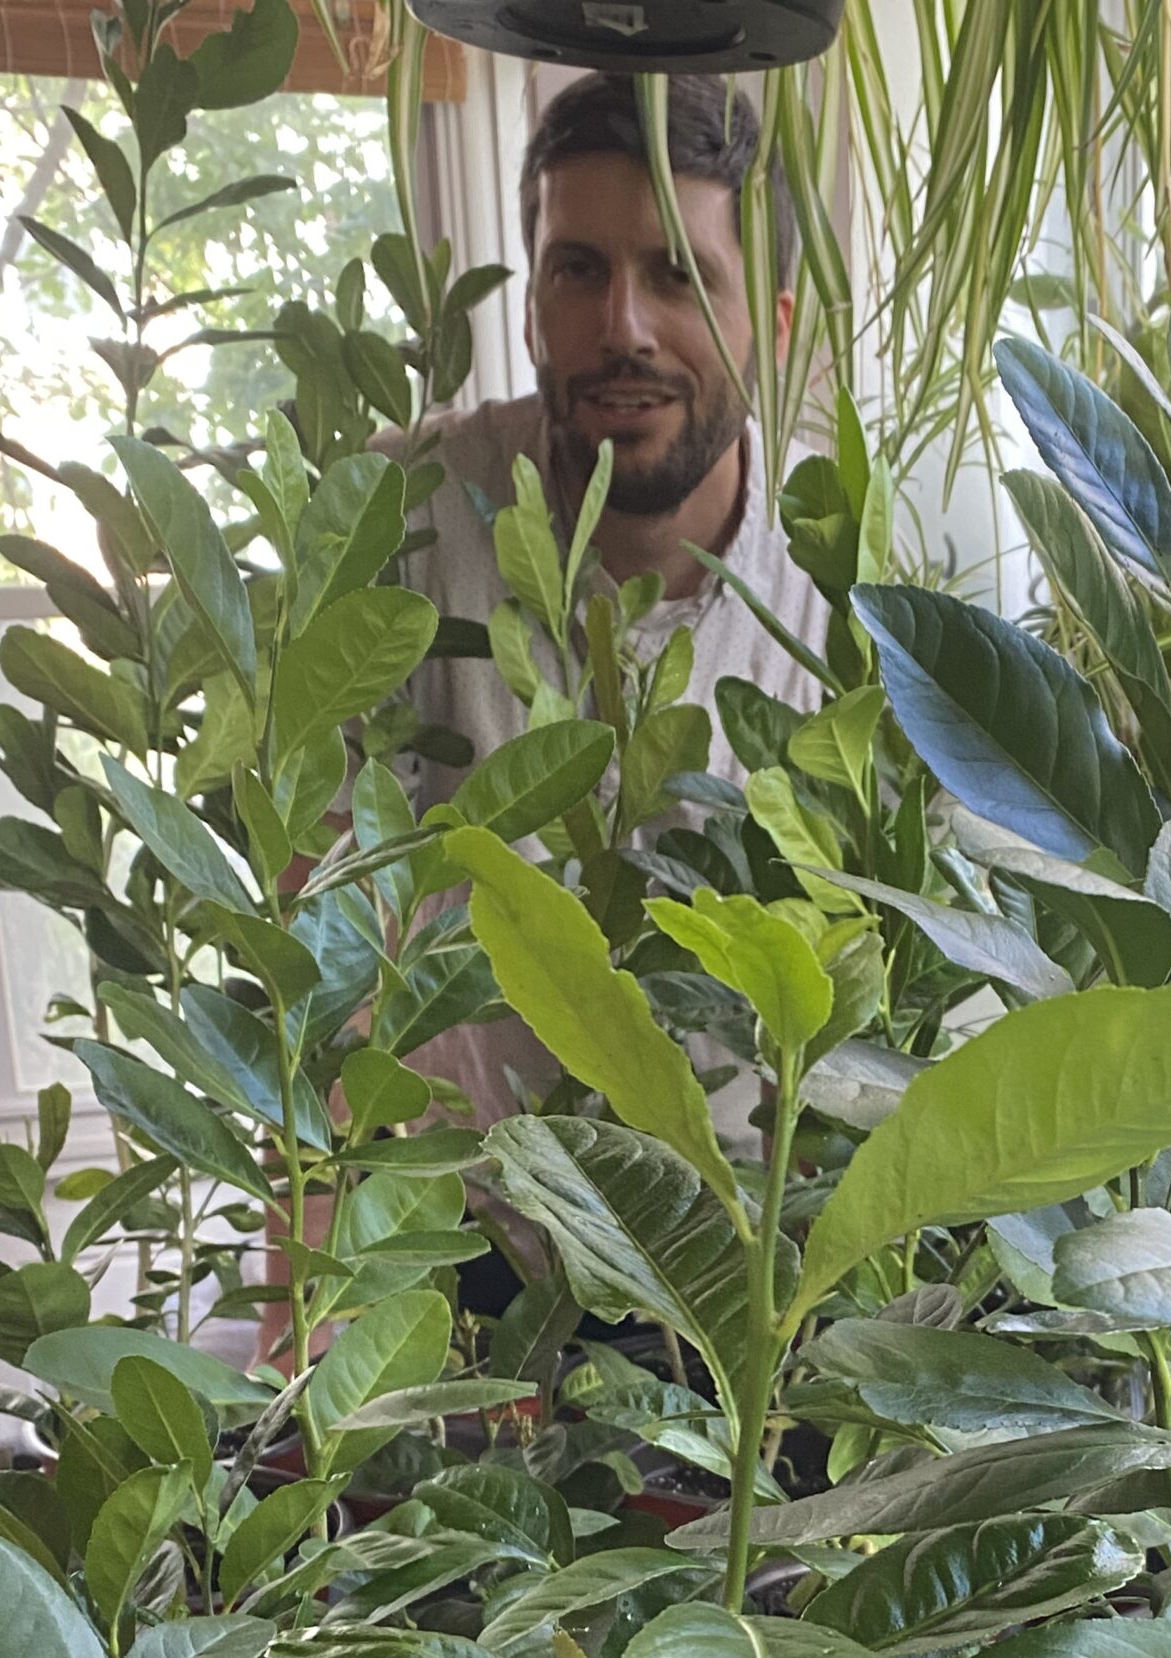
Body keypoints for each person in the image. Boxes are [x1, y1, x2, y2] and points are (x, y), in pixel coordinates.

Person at [387, 70, 828, 1146]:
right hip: (475, 1222)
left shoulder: (843, 568)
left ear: (767, 327)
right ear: (532, 302)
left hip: (765, 1241)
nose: (622, 326)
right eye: (578, 270)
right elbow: (312, 896)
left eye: (679, 276)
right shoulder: (413, 512)